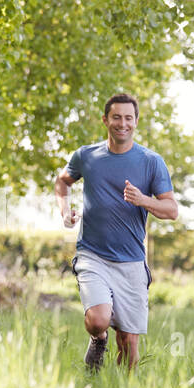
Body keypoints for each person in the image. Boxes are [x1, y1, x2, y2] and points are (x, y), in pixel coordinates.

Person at [55, 93, 177, 371]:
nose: (123, 123)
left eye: (128, 118)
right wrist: (65, 210)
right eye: (116, 117)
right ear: (105, 120)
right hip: (92, 255)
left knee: (129, 343)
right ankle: (99, 339)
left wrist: (143, 200)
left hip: (132, 260)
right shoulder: (86, 156)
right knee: (98, 319)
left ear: (136, 121)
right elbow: (62, 182)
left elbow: (171, 210)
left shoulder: (150, 161)